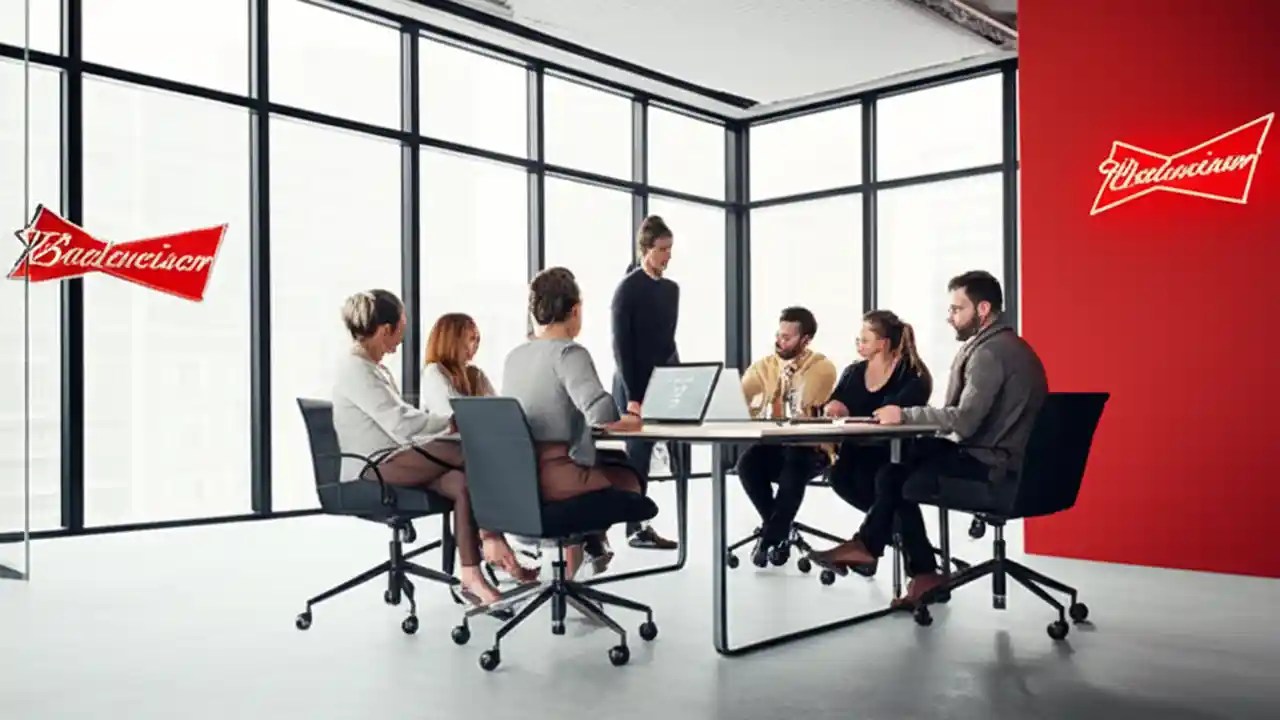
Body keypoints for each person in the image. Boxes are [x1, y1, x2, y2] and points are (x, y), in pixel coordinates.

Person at [810, 271, 1048, 609]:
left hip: (991, 465)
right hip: (1007, 459)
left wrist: (906, 415)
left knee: (894, 473)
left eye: (956, 309)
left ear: (982, 309)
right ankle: (914, 568)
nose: (949, 317)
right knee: (895, 471)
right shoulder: (1010, 346)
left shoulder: (989, 353)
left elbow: (963, 421)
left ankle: (874, 549)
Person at [330, 290, 523, 607]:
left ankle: (471, 576)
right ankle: (493, 538)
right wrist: (450, 424)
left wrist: (447, 425)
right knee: (469, 452)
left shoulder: (374, 368)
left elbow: (404, 426)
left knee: (461, 483)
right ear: (384, 330)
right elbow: (401, 423)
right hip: (371, 468)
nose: (401, 341)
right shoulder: (356, 370)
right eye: (400, 331)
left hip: (395, 459)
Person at [503, 267, 648, 578]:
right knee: (629, 477)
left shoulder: (515, 357)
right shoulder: (570, 353)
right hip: (556, 481)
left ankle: (587, 553)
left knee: (596, 461)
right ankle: (583, 558)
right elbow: (602, 414)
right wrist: (632, 420)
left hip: (516, 484)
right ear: (575, 310)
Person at [419, 312, 536, 583]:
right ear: (452, 340)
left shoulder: (475, 375)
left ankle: (498, 544)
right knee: (487, 467)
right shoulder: (434, 372)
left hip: (475, 452)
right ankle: (492, 539)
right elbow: (453, 416)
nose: (475, 346)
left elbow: (499, 409)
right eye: (470, 339)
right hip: (443, 456)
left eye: (478, 340)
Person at [734, 307, 838, 565]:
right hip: (775, 444)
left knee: (795, 461)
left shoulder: (822, 367)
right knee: (747, 464)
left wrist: (785, 378)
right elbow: (740, 397)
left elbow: (803, 407)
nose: (780, 342)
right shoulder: (764, 366)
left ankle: (772, 534)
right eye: (779, 335)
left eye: (788, 337)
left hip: (812, 447)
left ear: (806, 340)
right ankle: (779, 530)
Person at [609, 215, 679, 551]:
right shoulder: (628, 289)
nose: (668, 255)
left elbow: (667, 343)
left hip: (661, 380)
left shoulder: (670, 290)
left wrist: (679, 382)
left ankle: (642, 523)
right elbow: (622, 348)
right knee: (637, 455)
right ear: (646, 249)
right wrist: (634, 397)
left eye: (670, 248)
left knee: (660, 449)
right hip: (631, 382)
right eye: (662, 249)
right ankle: (634, 527)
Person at [822, 310, 933, 518]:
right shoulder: (853, 371)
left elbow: (897, 413)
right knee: (838, 477)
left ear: (882, 343)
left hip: (892, 452)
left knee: (872, 478)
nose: (858, 344)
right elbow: (837, 399)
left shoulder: (910, 373)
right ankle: (891, 530)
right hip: (854, 449)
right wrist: (834, 406)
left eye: (864, 340)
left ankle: (885, 533)